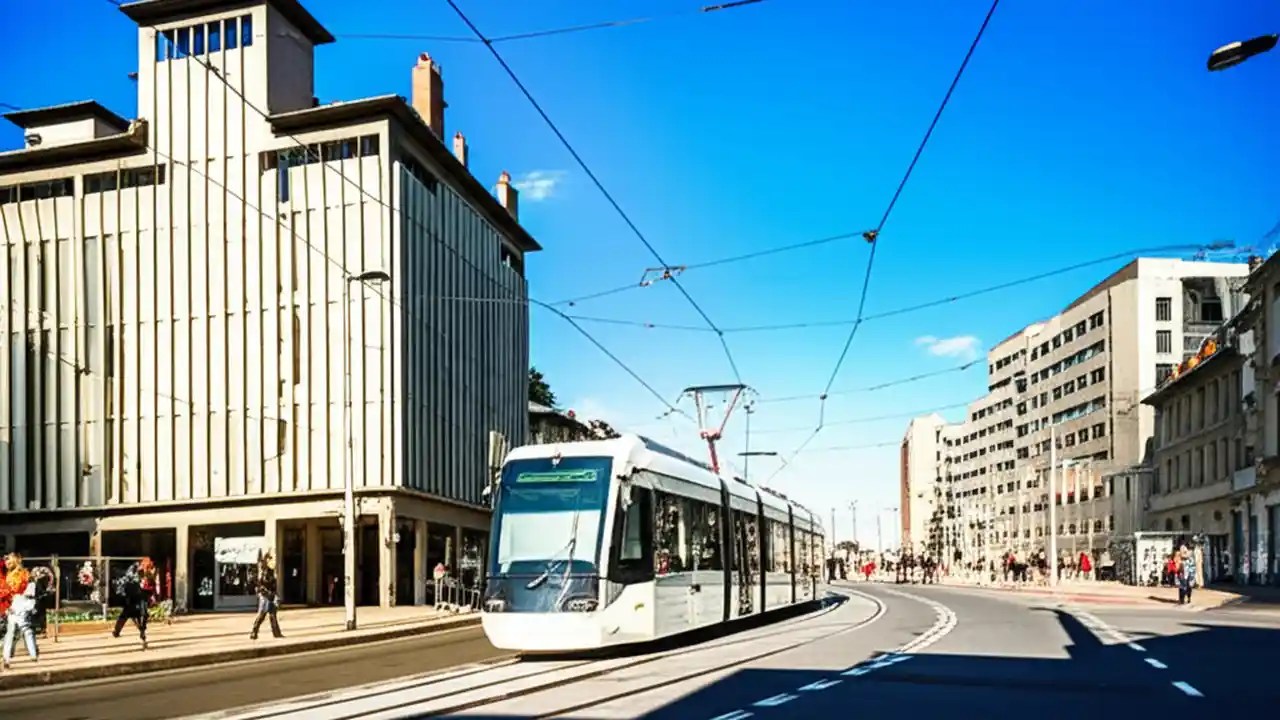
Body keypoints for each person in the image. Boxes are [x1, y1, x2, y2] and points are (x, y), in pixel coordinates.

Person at [113, 557, 157, 649]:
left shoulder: (149, 575)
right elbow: (128, 581)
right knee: (126, 614)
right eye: (147, 567)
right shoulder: (134, 570)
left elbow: (151, 588)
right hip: (132, 596)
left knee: (143, 615)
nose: (148, 569)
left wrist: (151, 596)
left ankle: (142, 633)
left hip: (142, 597)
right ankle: (117, 631)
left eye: (149, 568)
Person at [251, 553, 284, 640]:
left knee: (272, 615)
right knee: (262, 614)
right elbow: (260, 584)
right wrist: (265, 592)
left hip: (270, 595)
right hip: (265, 596)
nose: (272, 562)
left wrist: (275, 594)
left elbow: (273, 584)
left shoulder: (270, 571)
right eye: (270, 560)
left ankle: (276, 633)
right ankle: (254, 632)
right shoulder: (263, 572)